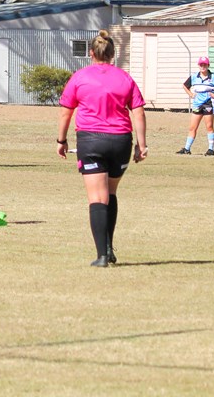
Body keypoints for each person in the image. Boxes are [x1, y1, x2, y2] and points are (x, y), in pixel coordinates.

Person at [56, 30, 148, 268]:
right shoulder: (125, 78)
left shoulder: (80, 77)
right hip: (120, 141)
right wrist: (142, 144)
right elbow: (138, 111)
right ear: (112, 54)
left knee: (97, 197)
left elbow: (66, 110)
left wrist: (61, 140)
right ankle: (109, 246)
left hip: (91, 140)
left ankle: (102, 256)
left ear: (91, 53)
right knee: (111, 192)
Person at [178, 56, 214, 155]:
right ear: (198, 66)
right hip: (197, 104)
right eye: (201, 64)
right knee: (192, 127)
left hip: (208, 103)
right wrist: (191, 94)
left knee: (209, 126)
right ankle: (187, 149)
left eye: (205, 64)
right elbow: (184, 86)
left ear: (208, 65)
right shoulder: (194, 76)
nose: (203, 66)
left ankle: (211, 149)